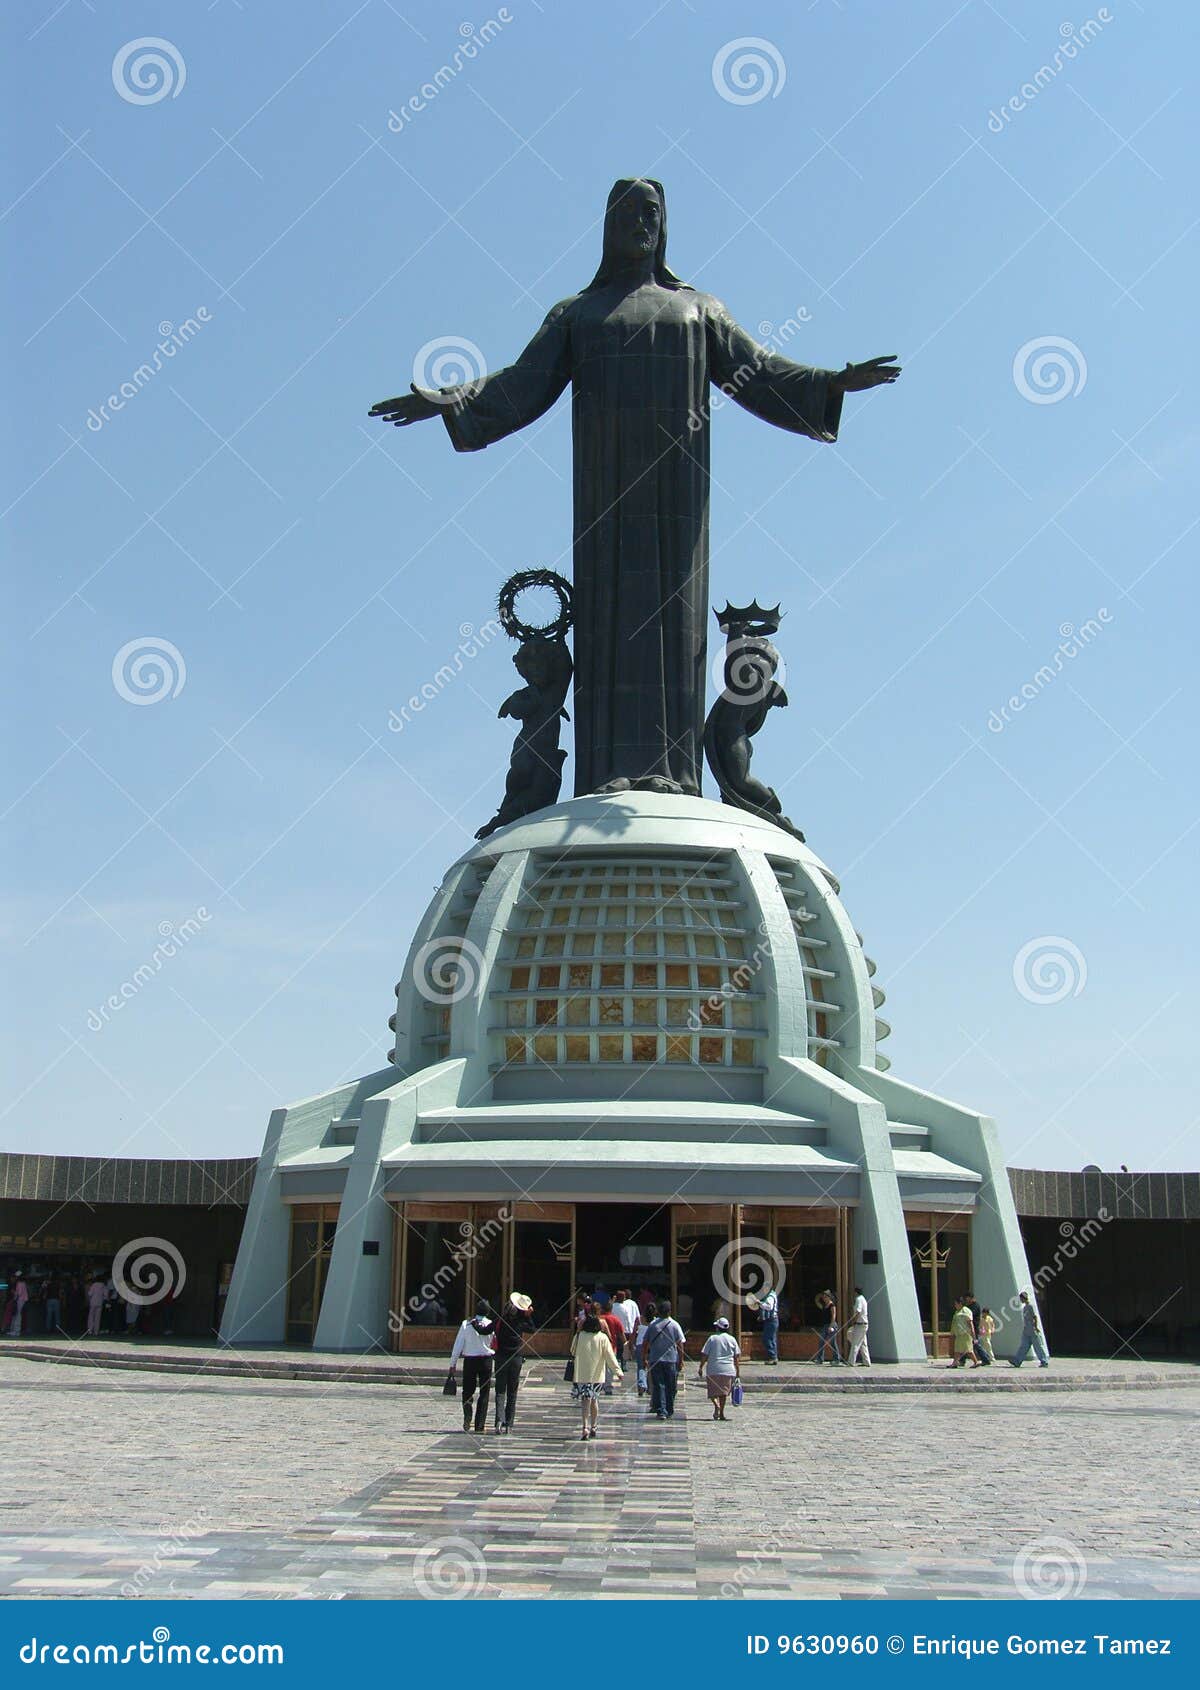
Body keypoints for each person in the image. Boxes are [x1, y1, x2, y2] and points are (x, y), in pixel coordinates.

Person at [569, 1312, 623, 1440]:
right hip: (597, 1376)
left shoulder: (579, 1336)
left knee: (585, 1401)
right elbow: (610, 1357)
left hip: (581, 1375)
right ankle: (593, 1426)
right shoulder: (603, 1338)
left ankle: (584, 1427)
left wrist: (578, 1331)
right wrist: (618, 1372)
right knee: (594, 1400)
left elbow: (572, 1350)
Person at [449, 1301, 496, 1432]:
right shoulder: (490, 1324)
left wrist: (453, 1363)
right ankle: (479, 1424)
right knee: (484, 1393)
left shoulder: (466, 1324)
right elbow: (495, 1342)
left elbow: (458, 1344)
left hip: (470, 1360)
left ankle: (467, 1417)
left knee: (467, 1391)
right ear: (488, 1312)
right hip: (486, 1360)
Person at [492, 1292, 534, 1434]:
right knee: (512, 1392)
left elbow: (485, 1330)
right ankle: (509, 1424)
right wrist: (528, 1316)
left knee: (500, 1391)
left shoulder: (499, 1321)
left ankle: (499, 1420)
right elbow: (532, 1329)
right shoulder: (520, 1323)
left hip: (501, 1358)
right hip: (515, 1359)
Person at [643, 1299, 686, 1419]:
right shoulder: (674, 1325)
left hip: (655, 1359)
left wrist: (644, 1357)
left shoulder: (653, 1325)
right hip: (671, 1360)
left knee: (659, 1385)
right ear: (670, 1311)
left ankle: (661, 1410)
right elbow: (680, 1344)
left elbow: (645, 1342)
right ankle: (669, 1409)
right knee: (670, 1385)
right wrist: (681, 1360)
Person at [698, 1316, 741, 1421]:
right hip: (728, 1369)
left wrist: (700, 1367)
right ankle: (721, 1412)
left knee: (712, 1392)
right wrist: (738, 1371)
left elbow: (705, 1354)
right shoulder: (732, 1339)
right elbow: (736, 1357)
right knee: (723, 1393)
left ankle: (716, 1405)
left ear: (717, 1327)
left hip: (713, 1369)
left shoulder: (712, 1338)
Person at [1009, 1292, 1049, 1368]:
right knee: (1023, 1346)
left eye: (1021, 1299)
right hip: (1026, 1331)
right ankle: (1017, 1361)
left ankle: (1044, 1361)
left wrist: (1036, 1327)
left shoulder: (1031, 1306)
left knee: (1037, 1347)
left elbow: (1035, 1317)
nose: (1020, 1300)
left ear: (1024, 1298)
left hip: (1032, 1330)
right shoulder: (1024, 1307)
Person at [597, 1300, 625, 1393]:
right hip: (611, 1346)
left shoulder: (599, 1318)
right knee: (609, 1367)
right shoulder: (615, 1319)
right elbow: (621, 1333)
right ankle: (608, 1387)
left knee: (599, 1366)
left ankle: (598, 1385)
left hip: (598, 1346)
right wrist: (626, 1343)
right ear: (611, 1309)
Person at [949, 1296, 980, 1368]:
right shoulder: (957, 1312)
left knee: (968, 1350)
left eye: (956, 1304)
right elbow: (954, 1323)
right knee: (957, 1350)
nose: (955, 1305)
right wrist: (952, 1332)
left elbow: (970, 1323)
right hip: (958, 1334)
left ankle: (976, 1362)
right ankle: (955, 1363)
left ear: (960, 1303)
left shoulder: (966, 1311)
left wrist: (974, 1336)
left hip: (966, 1334)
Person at [844, 1286, 871, 1367]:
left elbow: (858, 1311)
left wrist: (853, 1321)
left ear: (856, 1292)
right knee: (863, 1344)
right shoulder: (863, 1299)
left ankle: (851, 1361)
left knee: (855, 1343)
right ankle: (867, 1361)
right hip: (864, 1324)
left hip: (860, 1324)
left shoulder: (859, 1299)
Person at [812, 1290, 841, 1364]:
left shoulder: (832, 1305)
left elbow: (834, 1316)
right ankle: (820, 1359)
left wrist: (831, 1326)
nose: (824, 1299)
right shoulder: (824, 1306)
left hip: (831, 1325)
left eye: (825, 1297)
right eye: (823, 1297)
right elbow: (817, 1301)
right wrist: (819, 1295)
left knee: (832, 1342)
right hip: (825, 1325)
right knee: (821, 1342)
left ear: (829, 1297)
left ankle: (836, 1359)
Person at [635, 1301, 656, 1396]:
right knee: (651, 1367)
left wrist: (631, 1345)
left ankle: (641, 1385)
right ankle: (650, 1388)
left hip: (640, 1344)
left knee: (641, 1367)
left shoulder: (639, 1319)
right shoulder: (655, 1321)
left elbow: (633, 1333)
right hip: (651, 1345)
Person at [756, 1286, 779, 1365]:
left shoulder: (770, 1296)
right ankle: (774, 1357)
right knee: (772, 1339)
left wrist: (759, 1303)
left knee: (767, 1339)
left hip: (771, 1320)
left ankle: (772, 1357)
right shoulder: (771, 1295)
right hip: (772, 1320)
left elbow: (769, 1307)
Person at [965, 1289, 989, 1365]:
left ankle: (986, 1359)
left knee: (975, 1344)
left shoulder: (975, 1305)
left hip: (974, 1328)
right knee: (967, 1344)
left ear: (970, 1297)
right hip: (968, 1328)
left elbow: (970, 1314)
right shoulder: (969, 1305)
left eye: (967, 1298)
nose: (966, 1299)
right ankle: (962, 1360)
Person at [8, 1273, 28, 1337]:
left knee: (17, 1315)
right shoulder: (24, 1283)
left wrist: (14, 1293)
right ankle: (15, 1331)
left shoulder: (19, 1283)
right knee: (17, 1315)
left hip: (19, 1300)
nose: (15, 1278)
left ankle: (16, 1331)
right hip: (23, 1300)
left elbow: (18, 1293)